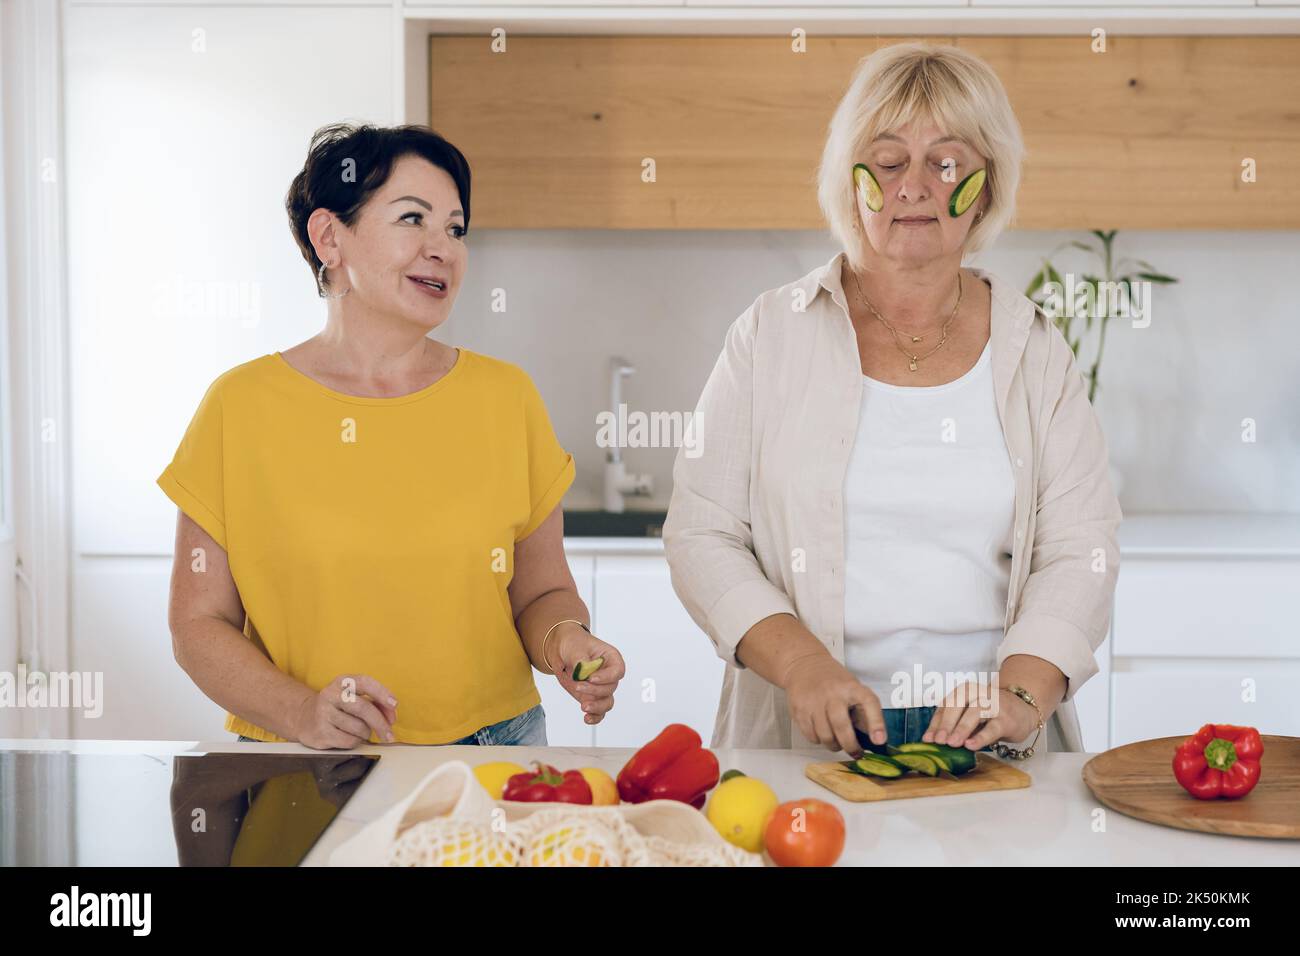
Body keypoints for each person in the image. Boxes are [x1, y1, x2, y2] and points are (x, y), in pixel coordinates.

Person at [663, 43, 1122, 759]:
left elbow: (1080, 549)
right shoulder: (771, 332)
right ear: (851, 182)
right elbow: (702, 533)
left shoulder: (1036, 349)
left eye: (945, 162)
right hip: (804, 745)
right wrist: (803, 666)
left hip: (994, 752)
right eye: (886, 159)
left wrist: (1024, 692)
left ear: (986, 183)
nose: (913, 186)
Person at [159, 123, 623, 749]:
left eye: (456, 229)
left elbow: (542, 591)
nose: (443, 248)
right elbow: (198, 624)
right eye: (413, 219)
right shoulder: (239, 407)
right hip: (303, 759)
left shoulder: (505, 397)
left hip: (496, 751)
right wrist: (300, 711)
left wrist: (566, 640)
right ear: (329, 237)